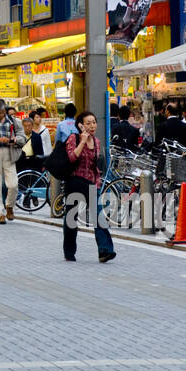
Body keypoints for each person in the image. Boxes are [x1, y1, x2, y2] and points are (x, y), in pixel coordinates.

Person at [64, 111, 116, 264]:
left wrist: (97, 183)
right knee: (71, 219)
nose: (92, 126)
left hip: (91, 184)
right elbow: (72, 157)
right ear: (81, 125)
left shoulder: (97, 142)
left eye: (94, 122)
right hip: (74, 183)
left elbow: (95, 167)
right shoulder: (73, 138)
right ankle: (69, 251)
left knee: (99, 217)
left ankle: (105, 251)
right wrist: (82, 141)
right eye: (88, 123)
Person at [19, 107, 53, 174]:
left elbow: (46, 146)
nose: (27, 128)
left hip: (35, 160)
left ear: (31, 125)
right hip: (22, 160)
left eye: (39, 117)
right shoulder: (20, 136)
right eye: (37, 117)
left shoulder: (42, 132)